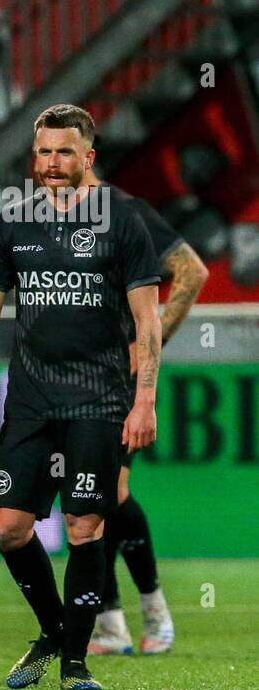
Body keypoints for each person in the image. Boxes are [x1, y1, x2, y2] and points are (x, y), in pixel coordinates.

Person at [0, 103, 162, 690]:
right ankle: (55, 630)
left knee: (84, 526)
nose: (52, 163)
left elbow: (147, 324)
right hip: (28, 399)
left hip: (98, 401)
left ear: (88, 158)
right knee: (8, 528)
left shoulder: (123, 223)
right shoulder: (14, 222)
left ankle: (75, 660)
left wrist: (144, 401)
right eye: (44, 152)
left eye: (65, 152)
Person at [85, 179, 208, 656]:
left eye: (62, 153)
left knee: (109, 491)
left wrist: (146, 347)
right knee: (93, 494)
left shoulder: (125, 210)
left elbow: (191, 272)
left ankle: (151, 608)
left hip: (116, 377)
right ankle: (111, 622)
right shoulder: (49, 219)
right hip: (71, 375)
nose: (50, 167)